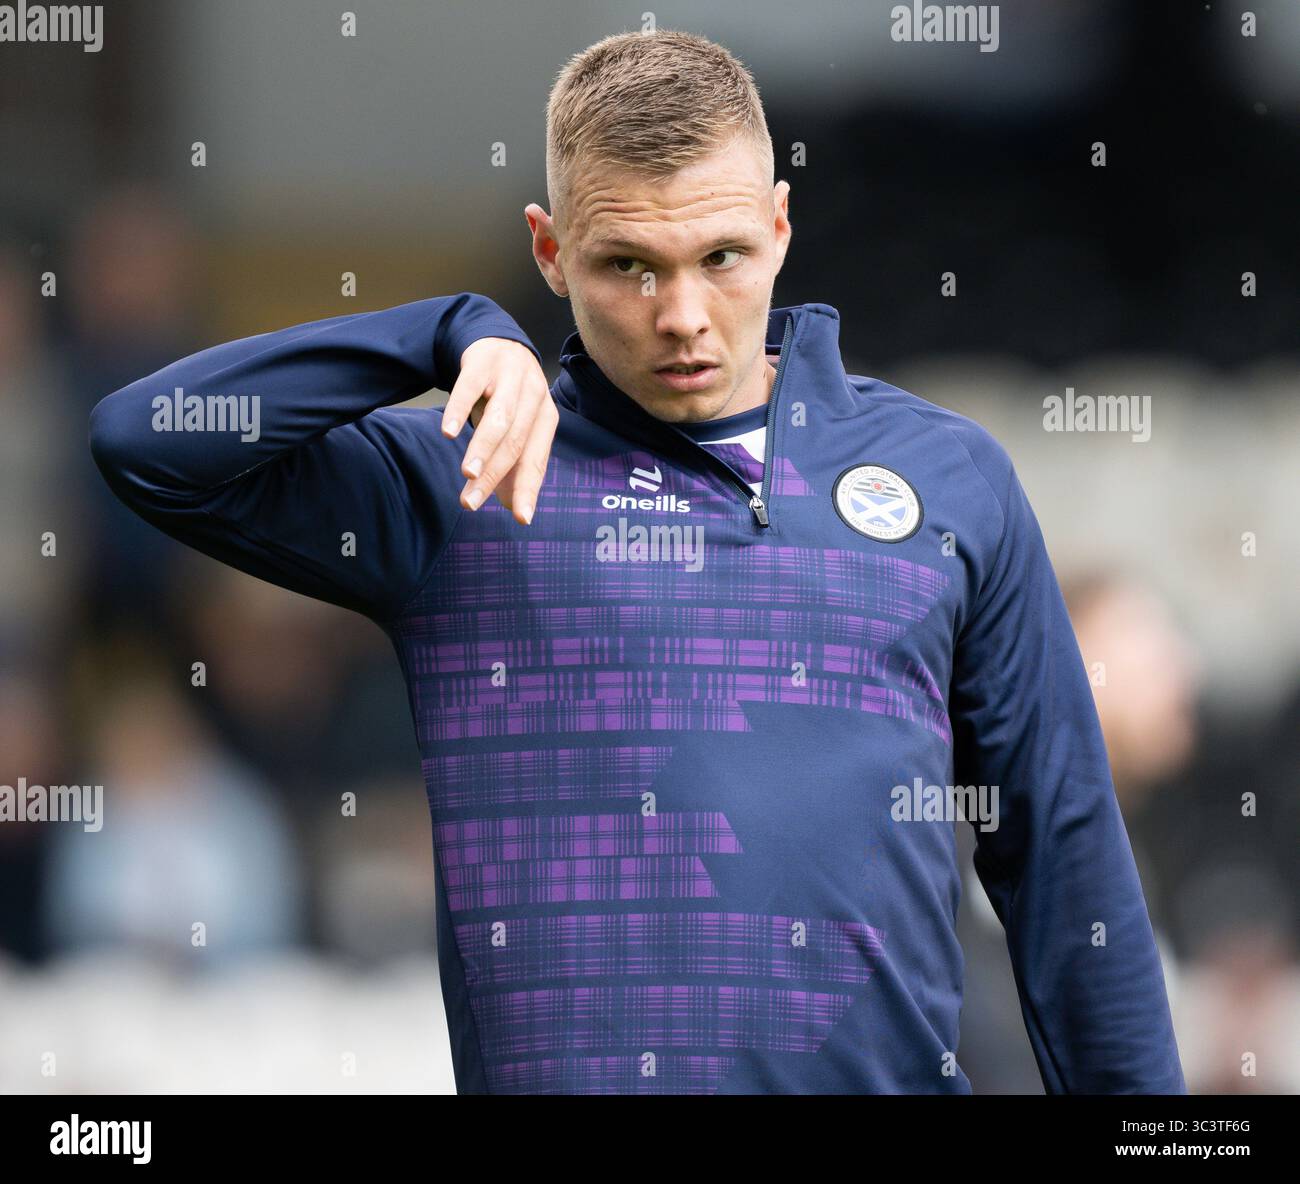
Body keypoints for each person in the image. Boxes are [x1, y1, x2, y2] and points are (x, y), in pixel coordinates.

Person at [88, 29, 1184, 1095]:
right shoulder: (463, 480)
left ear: (780, 227)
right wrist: (440, 333)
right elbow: (148, 440)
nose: (683, 317)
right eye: (627, 266)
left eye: (722, 257)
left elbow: (1061, 851)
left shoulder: (947, 477)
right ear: (550, 252)